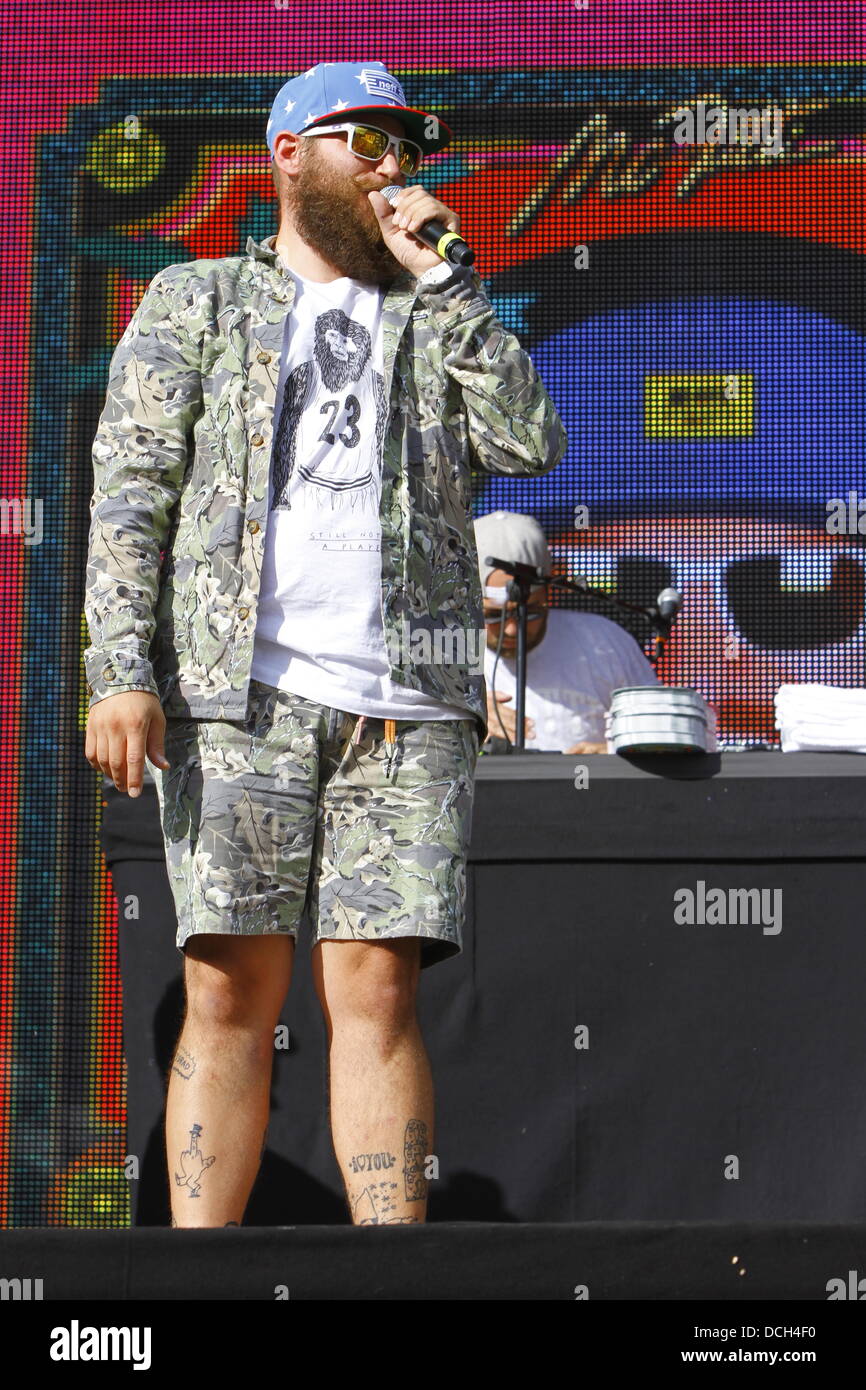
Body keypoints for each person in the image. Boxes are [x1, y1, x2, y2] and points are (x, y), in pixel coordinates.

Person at [83, 61, 567, 1228]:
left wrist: (447, 278)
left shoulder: (427, 309)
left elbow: (530, 442)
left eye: (407, 143)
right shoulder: (195, 300)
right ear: (290, 149)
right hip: (233, 693)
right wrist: (118, 671)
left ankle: (387, 1277)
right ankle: (201, 1270)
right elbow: (129, 492)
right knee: (228, 985)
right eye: (368, 139)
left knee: (377, 988)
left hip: (405, 700)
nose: (394, 162)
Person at [475, 512, 659, 753]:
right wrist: (464, 719)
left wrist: (614, 753)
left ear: (549, 594)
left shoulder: (603, 641)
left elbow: (661, 733)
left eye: (529, 611)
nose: (512, 628)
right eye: (493, 614)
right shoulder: (442, 652)